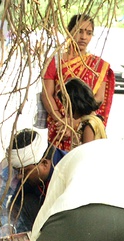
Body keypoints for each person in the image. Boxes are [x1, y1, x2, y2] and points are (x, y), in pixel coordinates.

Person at [42, 14, 116, 152]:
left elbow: (99, 98)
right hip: (58, 126)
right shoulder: (55, 60)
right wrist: (62, 121)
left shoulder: (98, 65)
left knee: (83, 161)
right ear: (69, 31)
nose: (83, 37)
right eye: (79, 31)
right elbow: (47, 94)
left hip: (84, 124)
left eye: (88, 33)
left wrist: (75, 123)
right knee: (57, 165)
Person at [0, 128, 52, 234]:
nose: (19, 177)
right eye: (18, 171)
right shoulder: (30, 178)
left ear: (44, 163)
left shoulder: (65, 173)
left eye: (25, 171)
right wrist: (10, 225)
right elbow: (15, 204)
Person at [59, 77, 107, 146]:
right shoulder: (93, 119)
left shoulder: (89, 126)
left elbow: (85, 154)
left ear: (74, 104)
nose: (66, 110)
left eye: (65, 106)